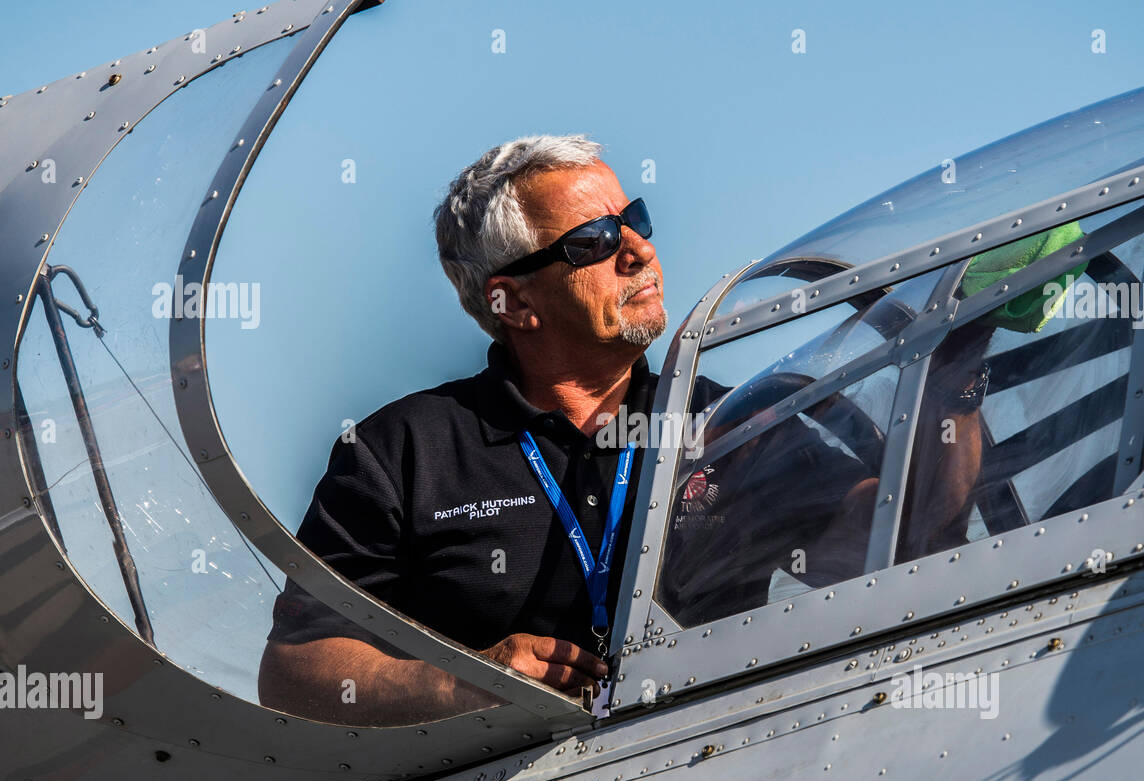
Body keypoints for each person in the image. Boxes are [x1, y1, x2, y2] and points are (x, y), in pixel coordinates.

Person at [257, 134, 989, 725]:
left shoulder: (734, 425)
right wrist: (462, 686)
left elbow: (902, 535)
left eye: (634, 219)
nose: (636, 248)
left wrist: (955, 380)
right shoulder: (399, 451)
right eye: (594, 240)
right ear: (512, 302)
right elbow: (293, 669)